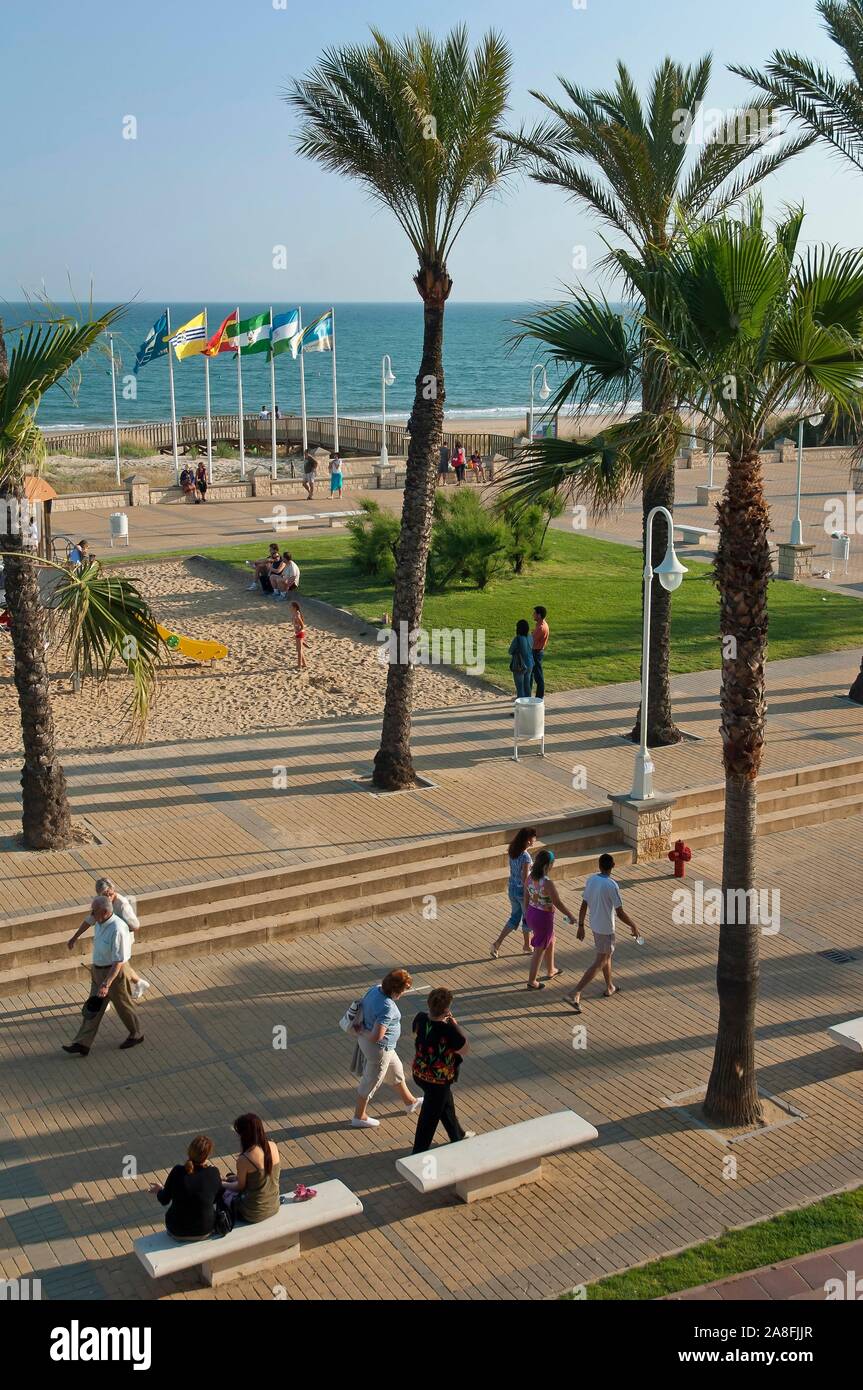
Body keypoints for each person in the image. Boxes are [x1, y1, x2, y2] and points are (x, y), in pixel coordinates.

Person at [62, 895, 144, 1056]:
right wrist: (74, 937)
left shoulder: (117, 929)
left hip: (114, 974)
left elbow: (119, 961)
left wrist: (106, 984)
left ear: (105, 912)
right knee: (93, 1007)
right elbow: (87, 921)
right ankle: (82, 1043)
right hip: (98, 970)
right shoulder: (98, 919)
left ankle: (137, 1033)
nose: (91, 913)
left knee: (123, 1006)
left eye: (94, 911)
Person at [564, 854, 643, 1013]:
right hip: (606, 929)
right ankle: (575, 992)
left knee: (606, 956)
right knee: (601, 960)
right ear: (613, 865)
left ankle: (609, 986)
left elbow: (583, 904)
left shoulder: (591, 880)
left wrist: (581, 925)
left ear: (599, 866)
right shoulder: (612, 885)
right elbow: (619, 912)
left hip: (595, 926)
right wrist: (633, 925)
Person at [351, 969, 421, 1128]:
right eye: (403, 990)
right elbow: (377, 1035)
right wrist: (362, 1031)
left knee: (396, 1071)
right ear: (396, 991)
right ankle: (359, 1116)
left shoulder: (374, 989)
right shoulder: (387, 1007)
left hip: (384, 1047)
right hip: (378, 1050)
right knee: (370, 1081)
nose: (403, 994)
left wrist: (362, 1031)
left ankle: (410, 1102)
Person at [410, 988, 475, 1153]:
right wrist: (455, 1025)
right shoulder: (448, 1030)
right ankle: (418, 1153)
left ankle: (457, 1135)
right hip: (437, 1080)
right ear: (447, 1009)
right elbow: (464, 1049)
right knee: (428, 1119)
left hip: (419, 1072)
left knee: (445, 1104)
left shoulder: (420, 1018)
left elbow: (416, 1032)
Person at [67, 877, 150, 1000]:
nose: (108, 897)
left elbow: (136, 926)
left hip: (120, 938)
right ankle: (138, 983)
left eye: (110, 894)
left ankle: (106, 996)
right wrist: (75, 937)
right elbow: (90, 920)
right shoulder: (100, 902)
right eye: (105, 895)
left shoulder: (122, 905)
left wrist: (119, 928)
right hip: (107, 939)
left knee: (114, 966)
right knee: (118, 965)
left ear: (113, 889)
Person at [149, 1135, 223, 1241]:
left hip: (177, 1230)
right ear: (207, 1156)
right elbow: (215, 1198)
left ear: (189, 1151)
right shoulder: (213, 1172)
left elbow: (164, 1200)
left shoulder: (177, 1171)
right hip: (204, 1229)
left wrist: (160, 1190)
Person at [524, 849, 577, 991]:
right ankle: (532, 981)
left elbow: (526, 897)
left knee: (551, 939)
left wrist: (526, 913)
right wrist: (571, 916)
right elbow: (557, 902)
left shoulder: (529, 878)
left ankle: (551, 969)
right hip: (543, 918)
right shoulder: (547, 883)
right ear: (547, 865)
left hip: (532, 913)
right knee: (539, 948)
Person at [221, 1114, 281, 1223]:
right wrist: (231, 1179)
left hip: (253, 1212)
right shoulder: (273, 1146)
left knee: (223, 1193)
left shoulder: (245, 1159)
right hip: (274, 1205)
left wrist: (221, 1183)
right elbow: (260, 1177)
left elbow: (239, 1187)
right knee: (230, 1177)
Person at [491, 826, 537, 958]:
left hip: (511, 888)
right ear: (528, 840)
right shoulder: (526, 857)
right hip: (522, 892)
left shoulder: (513, 850)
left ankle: (497, 943)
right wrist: (531, 891)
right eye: (534, 837)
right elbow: (525, 878)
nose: (535, 839)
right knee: (527, 919)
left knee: (514, 918)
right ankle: (527, 945)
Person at [508, 618, 534, 700]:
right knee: (527, 686)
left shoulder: (518, 638)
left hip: (520, 664)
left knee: (520, 687)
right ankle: (529, 704)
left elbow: (510, 651)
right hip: (530, 663)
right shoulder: (530, 637)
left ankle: (521, 708)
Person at [530, 605, 549, 699]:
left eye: (534, 613)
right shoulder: (540, 624)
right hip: (536, 651)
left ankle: (539, 698)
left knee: (538, 677)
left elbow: (531, 640)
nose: (533, 615)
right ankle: (529, 695)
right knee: (533, 674)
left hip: (536, 652)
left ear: (539, 615)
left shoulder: (541, 627)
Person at [290, 601, 308, 670]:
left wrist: (297, 633)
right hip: (298, 633)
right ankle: (304, 664)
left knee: (299, 650)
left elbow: (303, 626)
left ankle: (299, 666)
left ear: (294, 607)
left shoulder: (297, 614)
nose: (290, 607)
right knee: (299, 649)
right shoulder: (295, 613)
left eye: (291, 606)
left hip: (300, 633)